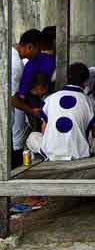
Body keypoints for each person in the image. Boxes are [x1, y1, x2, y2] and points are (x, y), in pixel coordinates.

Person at [26, 63, 95, 161]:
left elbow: (44, 130)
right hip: (79, 151)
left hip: (51, 151)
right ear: (86, 82)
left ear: (66, 79)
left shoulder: (49, 99)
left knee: (32, 137)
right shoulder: (90, 102)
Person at [10, 29, 38, 168]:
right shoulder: (15, 65)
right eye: (37, 51)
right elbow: (10, 98)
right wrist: (31, 111)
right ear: (29, 47)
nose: (37, 56)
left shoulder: (9, 53)